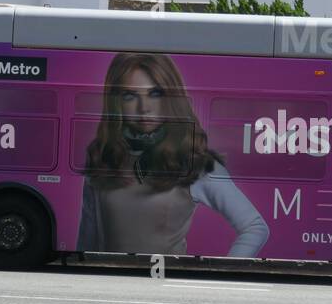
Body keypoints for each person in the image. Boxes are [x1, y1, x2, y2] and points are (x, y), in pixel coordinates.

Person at [76, 52, 269, 257]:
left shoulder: (196, 164)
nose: (144, 108)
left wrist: (226, 273)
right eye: (130, 95)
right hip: (111, 282)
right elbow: (87, 243)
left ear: (171, 97)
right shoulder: (102, 159)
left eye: (155, 94)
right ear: (116, 101)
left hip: (167, 282)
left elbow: (254, 227)